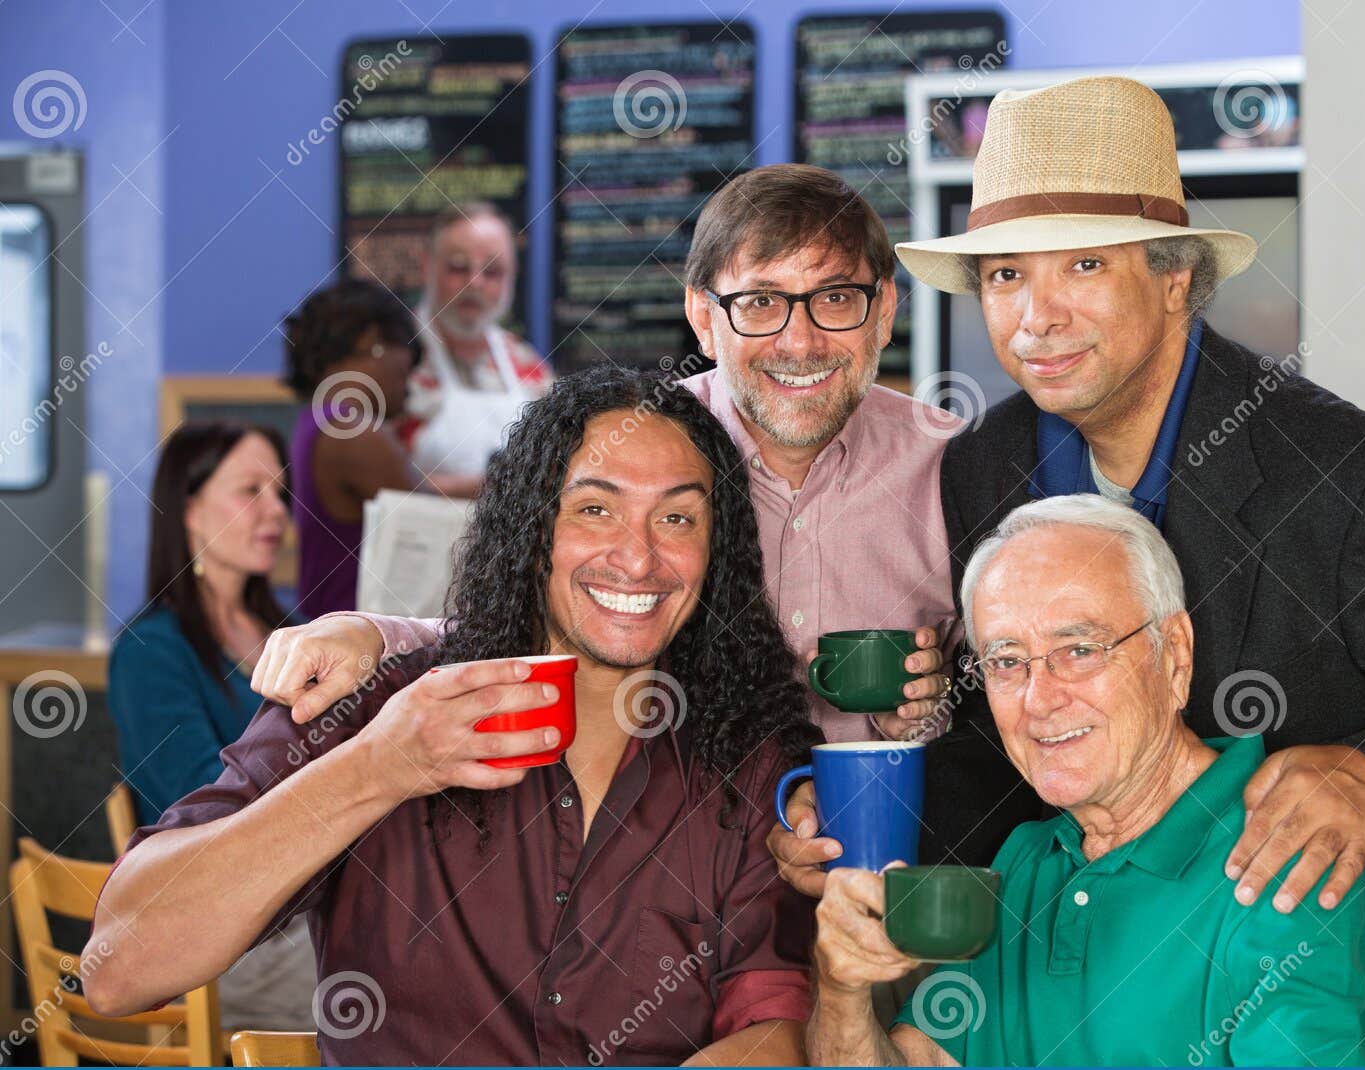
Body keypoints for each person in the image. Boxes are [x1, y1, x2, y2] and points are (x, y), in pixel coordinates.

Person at [886, 74, 1365, 1064]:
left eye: (1081, 264)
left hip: (1308, 1021)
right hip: (1064, 1019)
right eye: (1005, 275)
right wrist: (877, 846)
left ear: (1175, 275)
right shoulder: (984, 464)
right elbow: (995, 740)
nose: (1034, 317)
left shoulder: (1353, 479)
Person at [85, 368, 818, 1066]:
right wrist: (378, 769)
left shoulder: (745, 764)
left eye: (678, 517)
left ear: (714, 551)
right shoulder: (372, 705)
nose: (638, 556)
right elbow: (118, 967)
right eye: (595, 508)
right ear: (533, 530)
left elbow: (774, 1030)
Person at [252, 166, 957, 747]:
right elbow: (518, 631)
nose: (800, 342)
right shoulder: (633, 447)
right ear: (703, 317)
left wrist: (942, 708)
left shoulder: (957, 464)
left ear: (886, 309)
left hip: (897, 869)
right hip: (677, 876)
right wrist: (370, 632)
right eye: (762, 301)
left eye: (836, 298)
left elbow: (1022, 679)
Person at [808, 496, 1365, 1067]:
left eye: (1079, 650)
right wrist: (842, 989)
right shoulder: (1026, 861)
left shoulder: (1288, 850)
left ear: (1173, 654)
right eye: (1006, 661)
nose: (1039, 700)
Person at [107, 421, 316, 1033]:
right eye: (250, 491)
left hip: (302, 908)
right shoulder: (151, 650)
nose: (275, 512)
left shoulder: (294, 631)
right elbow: (200, 808)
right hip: (210, 936)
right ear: (189, 511)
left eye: (281, 493)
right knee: (407, 985)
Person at [283, 280, 477, 621]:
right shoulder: (356, 431)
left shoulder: (321, 419)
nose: (411, 382)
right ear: (372, 342)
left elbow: (407, 493)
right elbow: (435, 530)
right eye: (409, 364)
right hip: (359, 643)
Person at [401, 201, 551, 480]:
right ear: (426, 266)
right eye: (458, 268)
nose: (475, 283)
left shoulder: (528, 367)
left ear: (512, 277)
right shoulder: (392, 360)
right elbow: (372, 479)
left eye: (492, 272)